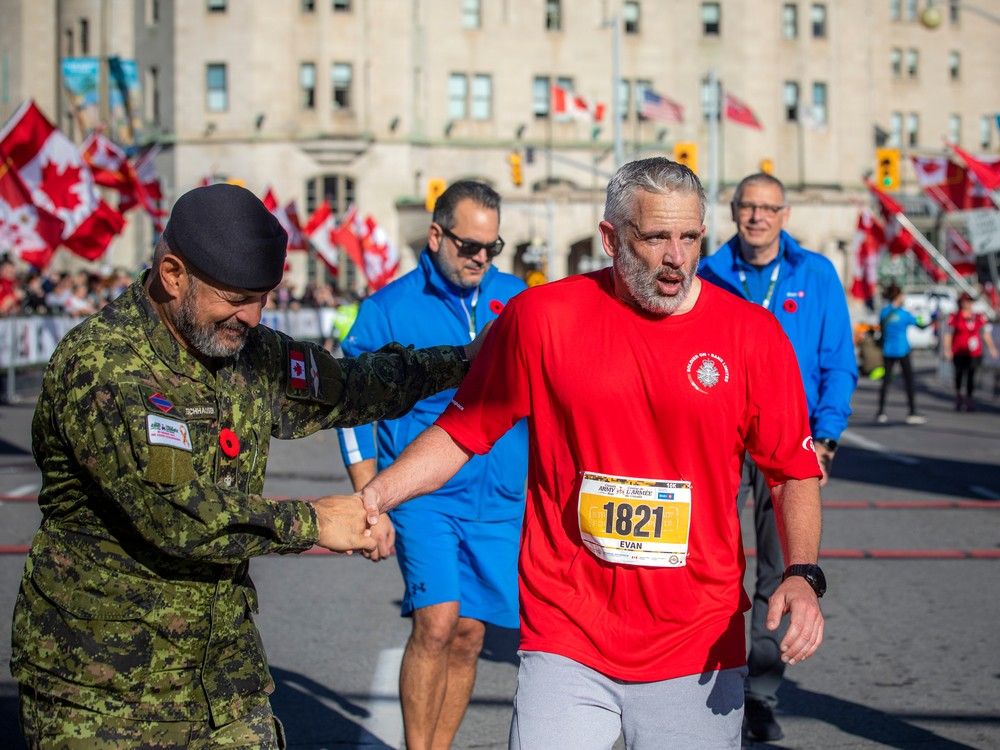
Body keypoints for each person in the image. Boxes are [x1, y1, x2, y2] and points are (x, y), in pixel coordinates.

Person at [354, 158, 826, 749]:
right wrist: (374, 494)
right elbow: (462, 432)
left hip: (697, 641)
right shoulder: (541, 318)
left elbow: (792, 472)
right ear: (610, 238)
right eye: (655, 237)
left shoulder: (752, 336)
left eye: (689, 236)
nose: (676, 256)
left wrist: (803, 574)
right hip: (567, 633)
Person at [10, 183, 479, 749]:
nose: (252, 317)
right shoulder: (103, 368)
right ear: (173, 274)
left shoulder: (246, 348)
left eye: (264, 297)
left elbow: (351, 387)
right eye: (236, 297)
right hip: (101, 689)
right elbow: (177, 515)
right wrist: (314, 521)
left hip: (221, 679)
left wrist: (467, 362)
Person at [336, 180, 528, 750]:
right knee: (438, 621)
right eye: (469, 245)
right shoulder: (388, 309)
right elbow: (349, 408)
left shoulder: (520, 300)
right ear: (437, 235)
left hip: (498, 500)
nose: (481, 258)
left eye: (492, 248)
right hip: (423, 497)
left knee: (469, 636)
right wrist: (370, 496)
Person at [698, 172, 856, 741]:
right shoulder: (707, 272)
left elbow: (838, 361)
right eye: (748, 207)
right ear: (734, 211)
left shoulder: (815, 274)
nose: (757, 217)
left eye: (768, 208)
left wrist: (828, 437)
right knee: (707, 557)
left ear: (784, 215)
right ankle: (691, 675)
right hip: (716, 435)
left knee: (778, 565)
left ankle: (759, 694)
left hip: (788, 440)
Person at [875, 283, 932, 424]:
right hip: (902, 350)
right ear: (898, 296)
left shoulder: (884, 312)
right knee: (909, 382)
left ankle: (881, 412)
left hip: (888, 350)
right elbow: (921, 325)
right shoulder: (904, 314)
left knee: (886, 382)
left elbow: (881, 329)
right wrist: (933, 318)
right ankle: (912, 412)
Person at [944, 292, 999, 411]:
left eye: (969, 301)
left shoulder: (978, 317)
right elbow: (948, 334)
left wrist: (992, 348)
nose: (967, 304)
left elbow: (985, 334)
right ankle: (959, 396)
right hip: (958, 350)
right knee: (959, 374)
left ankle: (969, 398)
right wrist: (947, 349)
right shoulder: (955, 316)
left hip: (974, 352)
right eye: (965, 301)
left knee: (971, 375)